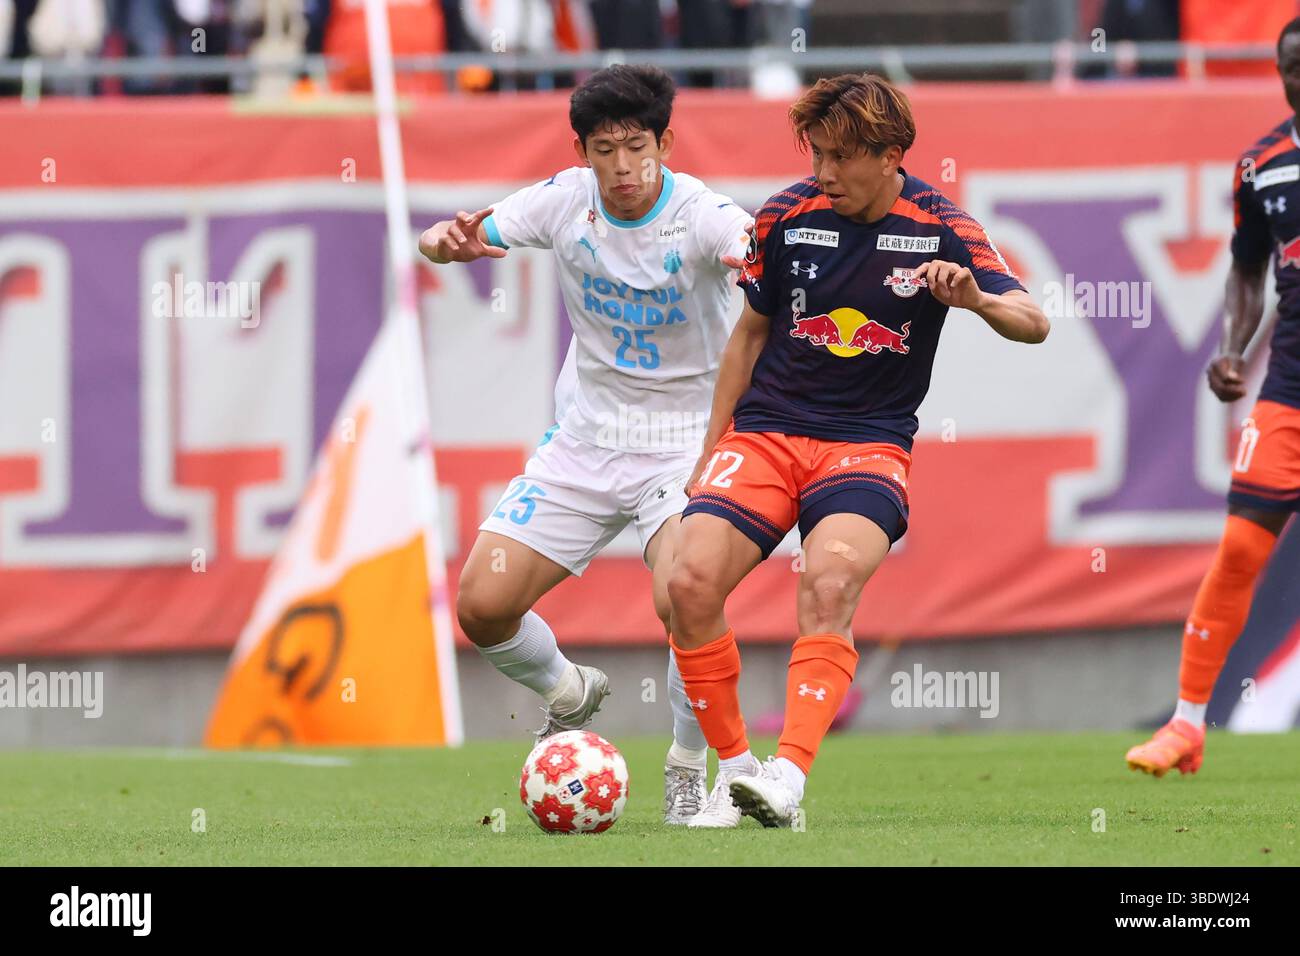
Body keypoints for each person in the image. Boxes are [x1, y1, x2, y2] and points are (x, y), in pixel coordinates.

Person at [667, 72, 1049, 828]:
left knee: (831, 586)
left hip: (866, 444)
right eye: (817, 154)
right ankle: (739, 773)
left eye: (841, 157)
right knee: (687, 584)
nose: (826, 173)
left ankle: (789, 779)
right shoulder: (786, 214)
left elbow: (1033, 320)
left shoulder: (941, 225)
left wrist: (974, 299)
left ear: (892, 153)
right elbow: (748, 335)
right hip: (769, 431)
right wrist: (713, 450)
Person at [419, 64, 753, 823]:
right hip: (587, 439)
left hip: (684, 445)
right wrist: (444, 245)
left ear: (665, 143)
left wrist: (751, 260)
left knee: (685, 597)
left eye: (638, 147)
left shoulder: (700, 215)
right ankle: (568, 692)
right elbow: (465, 235)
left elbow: (748, 247)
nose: (624, 167)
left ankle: (686, 763)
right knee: (482, 604)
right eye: (605, 150)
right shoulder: (566, 203)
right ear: (582, 151)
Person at [1125, 18, 1300, 777]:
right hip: (1291, 385)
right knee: (1238, 549)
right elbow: (1246, 271)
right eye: (1291, 67)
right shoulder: (1262, 165)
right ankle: (1188, 725)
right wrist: (1232, 350)